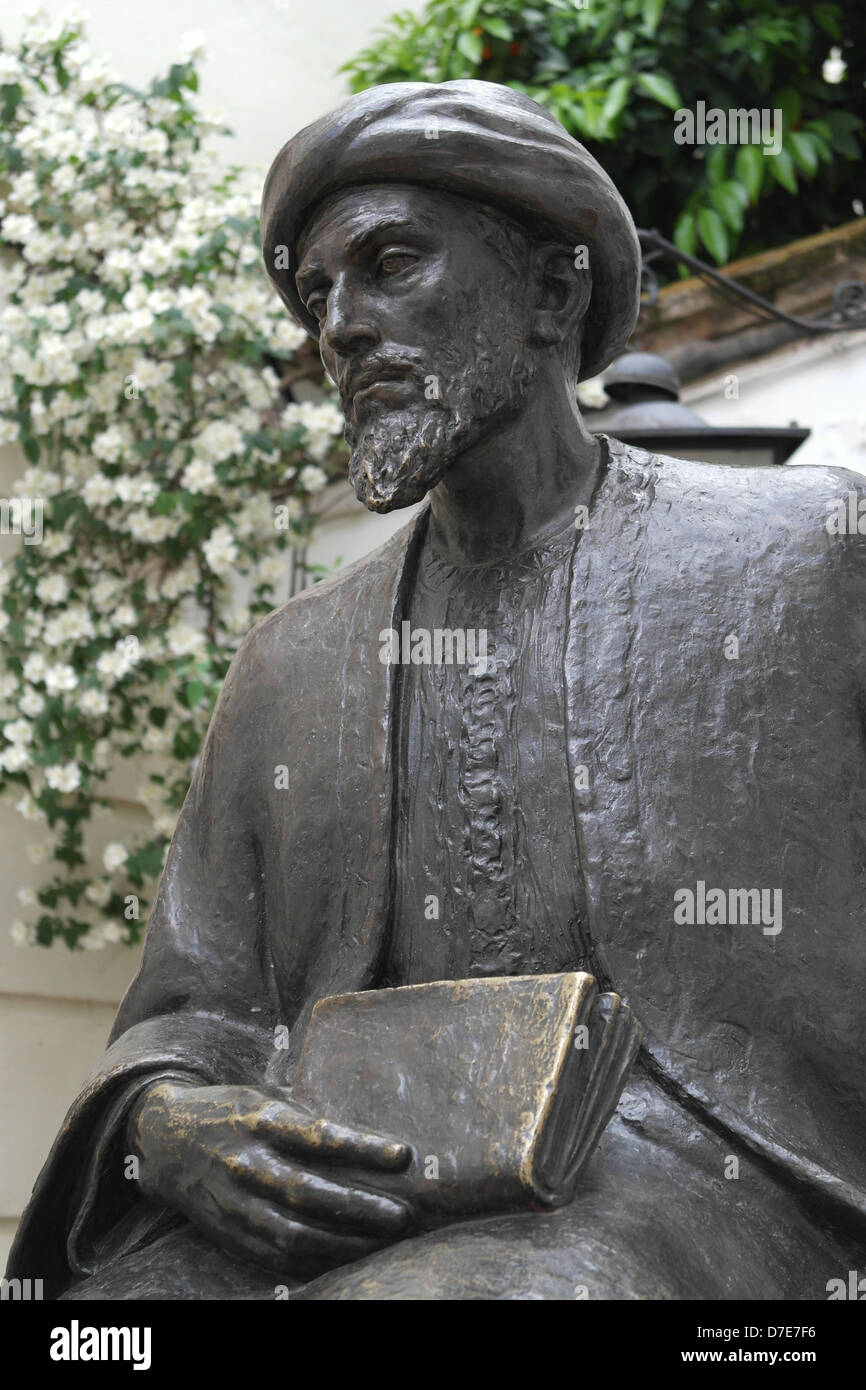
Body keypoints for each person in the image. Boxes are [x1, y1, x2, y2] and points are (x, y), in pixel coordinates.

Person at [8, 81, 866, 1300]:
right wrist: (165, 1125)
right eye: (317, 298)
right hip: (346, 1175)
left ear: (550, 293)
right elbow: (195, 1008)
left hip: (699, 1184)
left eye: (390, 263)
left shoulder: (804, 558)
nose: (341, 328)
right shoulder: (287, 662)